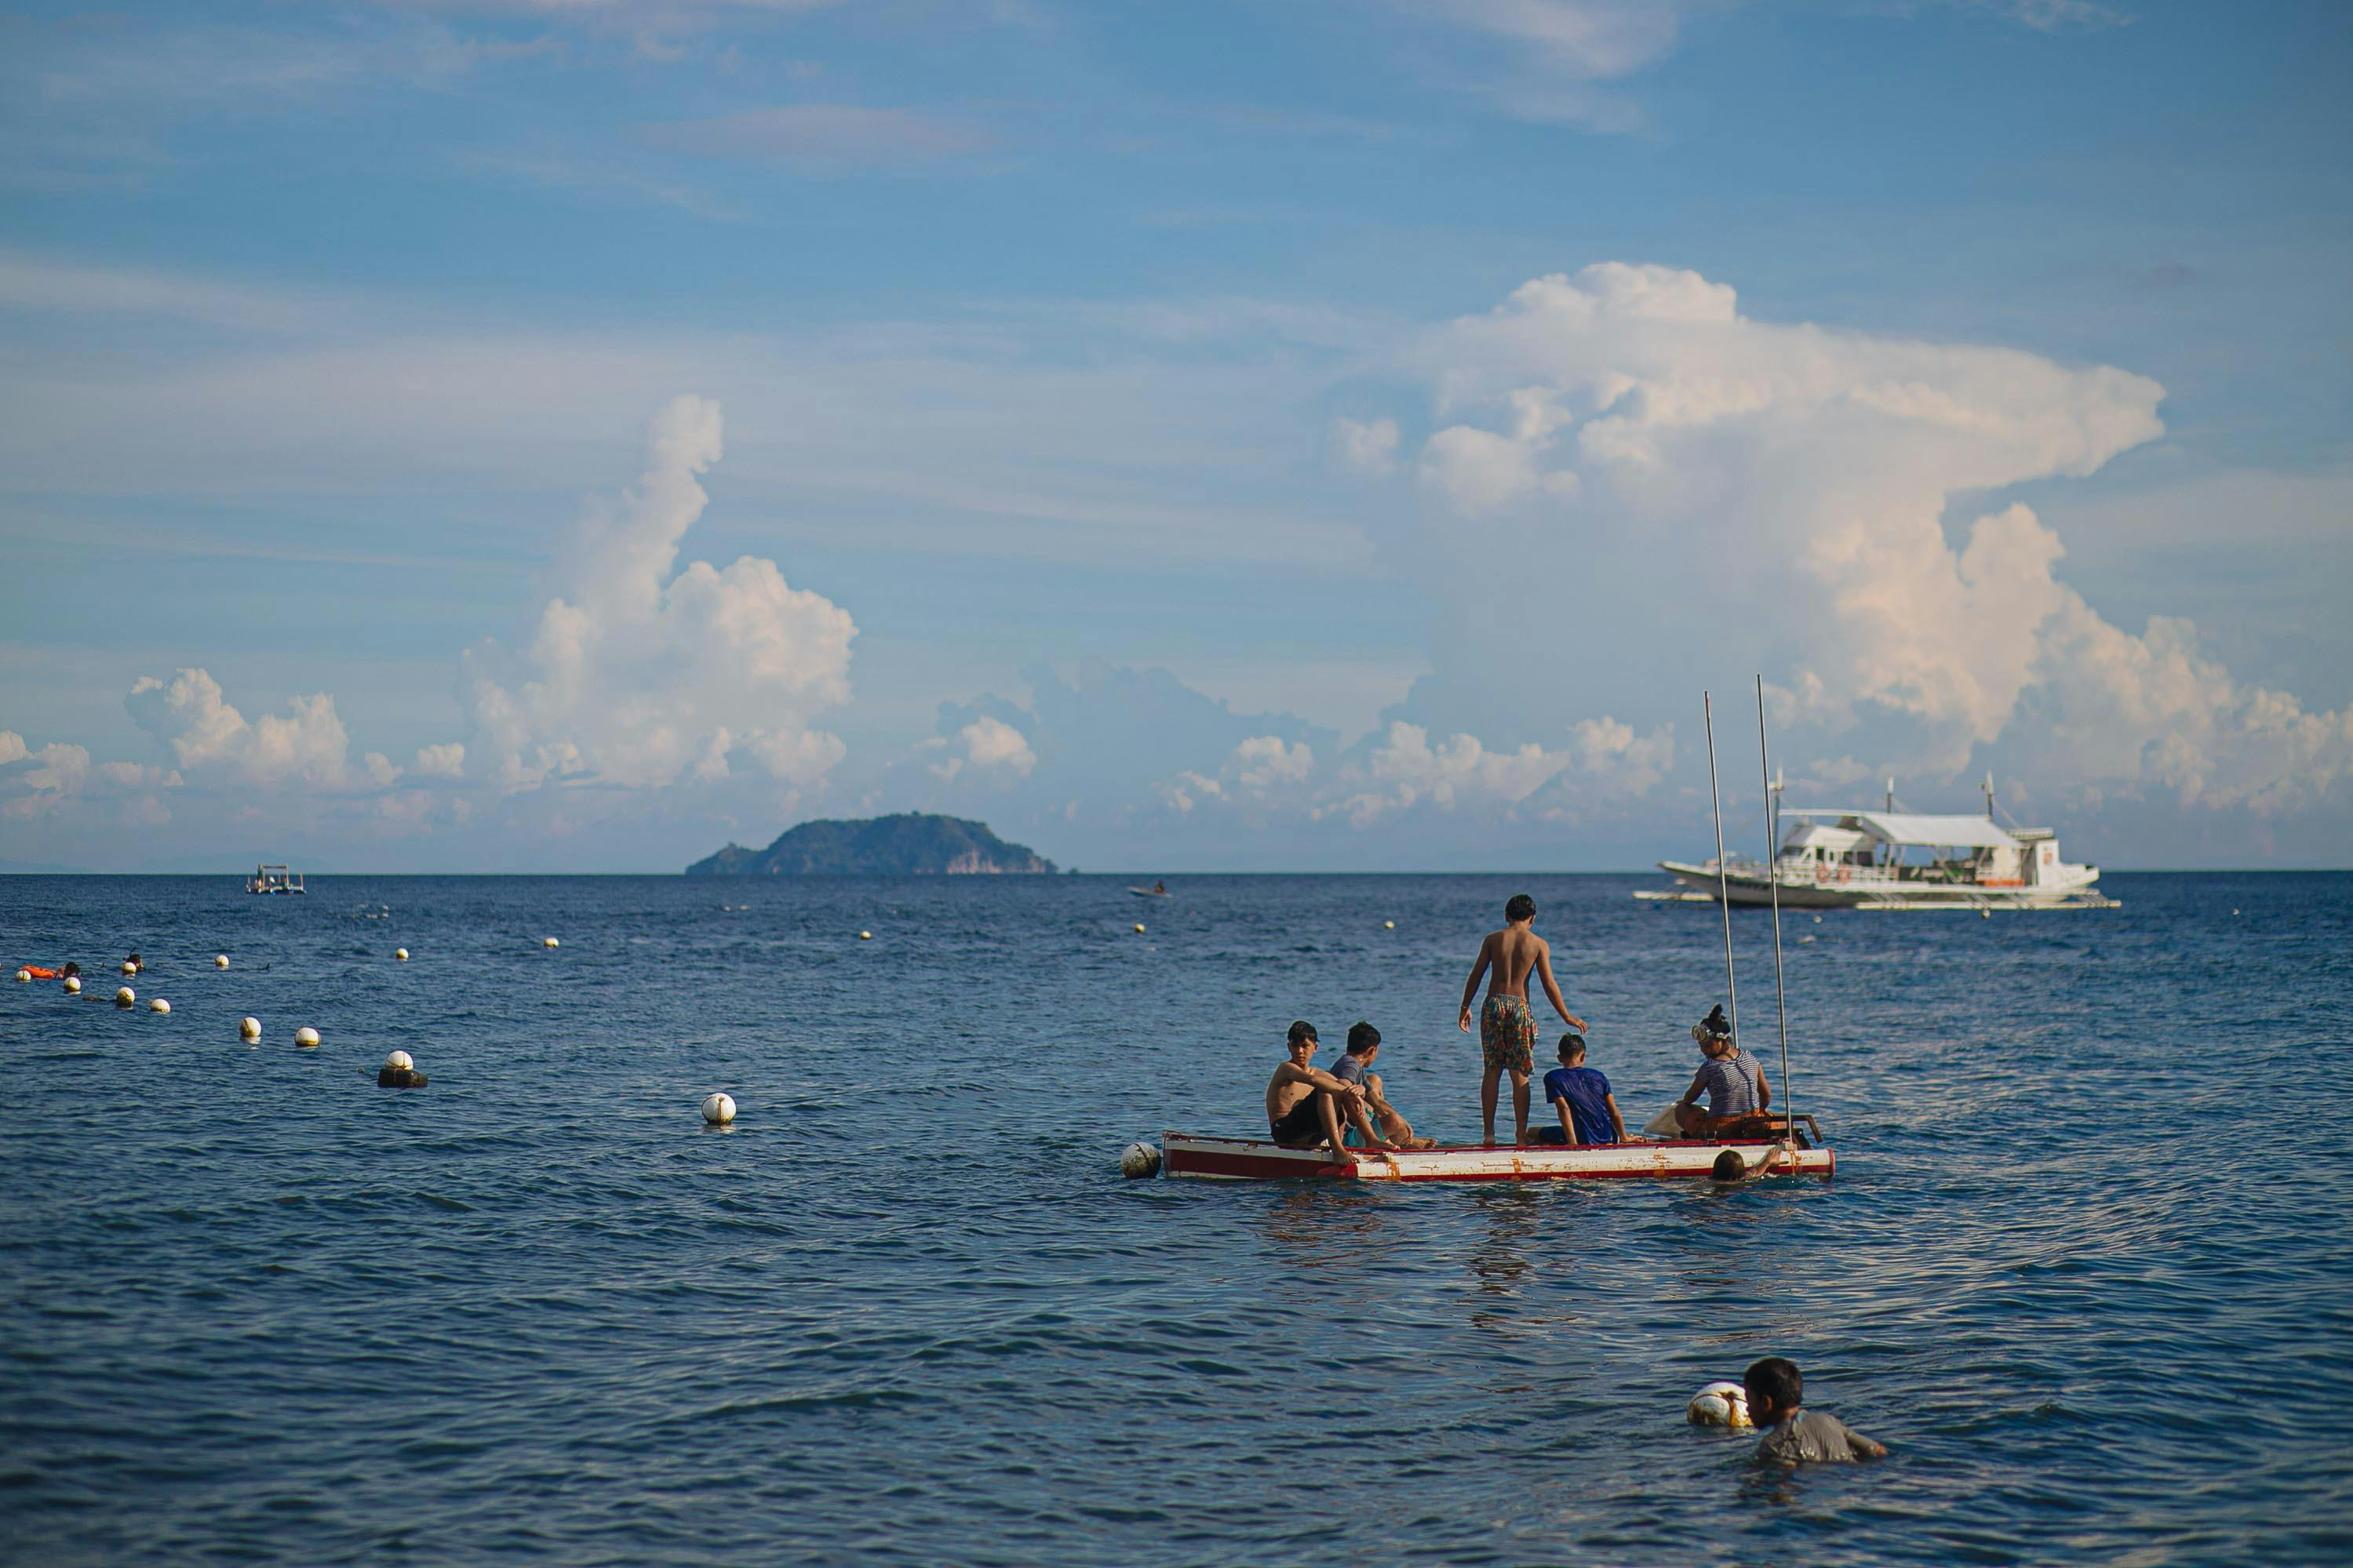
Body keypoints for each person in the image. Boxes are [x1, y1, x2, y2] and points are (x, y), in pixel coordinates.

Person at [1457, 893, 1587, 1145]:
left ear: (1506, 916)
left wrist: (1465, 1006)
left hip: (1493, 1004)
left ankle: (1489, 1134)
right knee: (1520, 1074)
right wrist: (1566, 1015)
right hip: (1519, 1007)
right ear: (1532, 919)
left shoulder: (1493, 940)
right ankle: (1520, 1135)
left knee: (1492, 1070)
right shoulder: (1538, 944)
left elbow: (1477, 974)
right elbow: (1549, 983)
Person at [1743, 1357, 1885, 1464]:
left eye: (1748, 1400)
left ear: (1766, 1403)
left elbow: (1785, 1484)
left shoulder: (1771, 1446)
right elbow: (1878, 1450)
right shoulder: (1828, 1420)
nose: (1747, 1408)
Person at [1264, 1020, 1372, 1155]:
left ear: (1315, 1048)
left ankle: (1368, 1139)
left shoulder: (1319, 1072)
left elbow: (1343, 1086)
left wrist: (1360, 1090)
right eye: (1295, 1045)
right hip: (1285, 1133)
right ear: (1289, 1047)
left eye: (1305, 1046)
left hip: (1309, 1135)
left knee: (1340, 1089)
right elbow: (1313, 1080)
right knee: (1326, 1090)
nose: (1300, 1051)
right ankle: (1338, 1150)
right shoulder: (1286, 1068)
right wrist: (1350, 1093)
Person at [1328, 1022, 1438, 1150]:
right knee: (1394, 1121)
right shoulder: (1350, 1068)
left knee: (1375, 1081)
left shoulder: (1352, 1064)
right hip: (1347, 1138)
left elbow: (1377, 1101)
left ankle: (1397, 1138)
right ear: (1372, 1050)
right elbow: (1345, 1086)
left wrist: (1404, 1122)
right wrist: (1399, 1122)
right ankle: (1405, 1144)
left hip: (1355, 1127)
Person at [1674, 1004, 1774, 1138]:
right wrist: (1759, 1111)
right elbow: (1766, 1095)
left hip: (1720, 1128)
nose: (1704, 1050)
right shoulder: (1749, 1057)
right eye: (1701, 1046)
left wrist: (1684, 1103)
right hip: (1752, 1123)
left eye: (1708, 1046)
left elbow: (1690, 1098)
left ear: (1722, 1040)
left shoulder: (1710, 1067)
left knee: (1680, 1108)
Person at [1532, 1032, 1626, 1146]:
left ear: (1559, 1058)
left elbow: (1564, 1109)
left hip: (1580, 1138)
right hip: (1605, 1137)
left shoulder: (1553, 1077)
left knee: (1532, 1132)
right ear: (1583, 1056)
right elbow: (1614, 1111)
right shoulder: (1599, 1076)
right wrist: (1624, 1137)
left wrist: (1573, 1143)